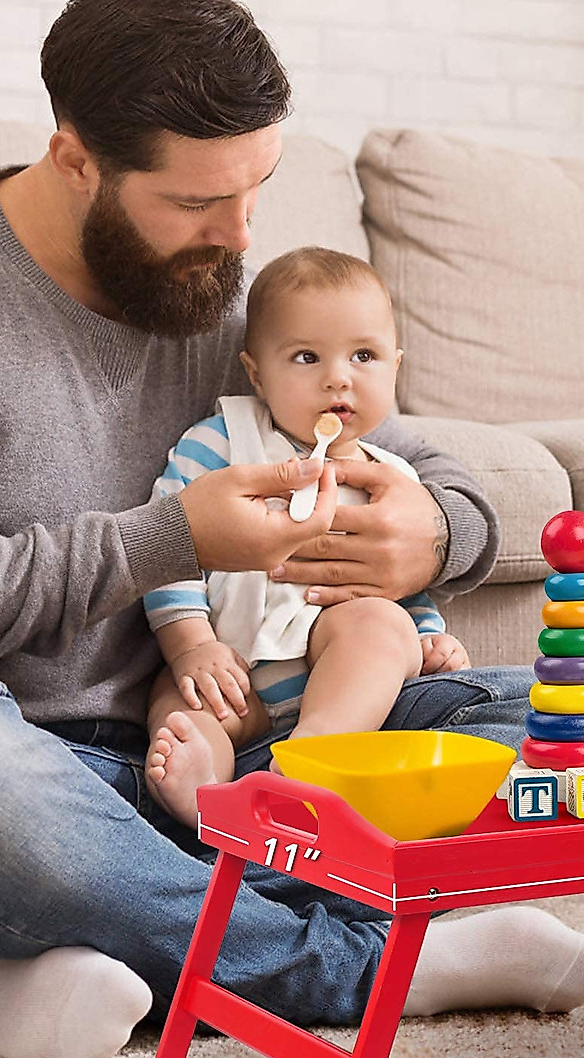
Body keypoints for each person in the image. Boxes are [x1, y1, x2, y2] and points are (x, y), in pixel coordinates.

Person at [0, 0, 584, 1058]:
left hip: (205, 779)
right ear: (73, 158)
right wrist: (162, 541)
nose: (240, 234)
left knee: (539, 714)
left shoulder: (215, 289)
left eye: (258, 187)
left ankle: (62, 957)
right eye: (197, 200)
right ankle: (366, 967)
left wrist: (437, 533)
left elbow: (424, 463)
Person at [143, 247, 474, 827]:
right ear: (256, 373)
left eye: (364, 356)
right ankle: (208, 797)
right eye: (305, 357)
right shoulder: (220, 443)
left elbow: (401, 581)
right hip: (231, 669)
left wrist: (426, 636)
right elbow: (165, 549)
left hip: (332, 666)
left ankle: (313, 757)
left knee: (378, 626)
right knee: (178, 706)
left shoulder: (395, 480)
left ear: (396, 367)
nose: (337, 377)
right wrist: (192, 646)